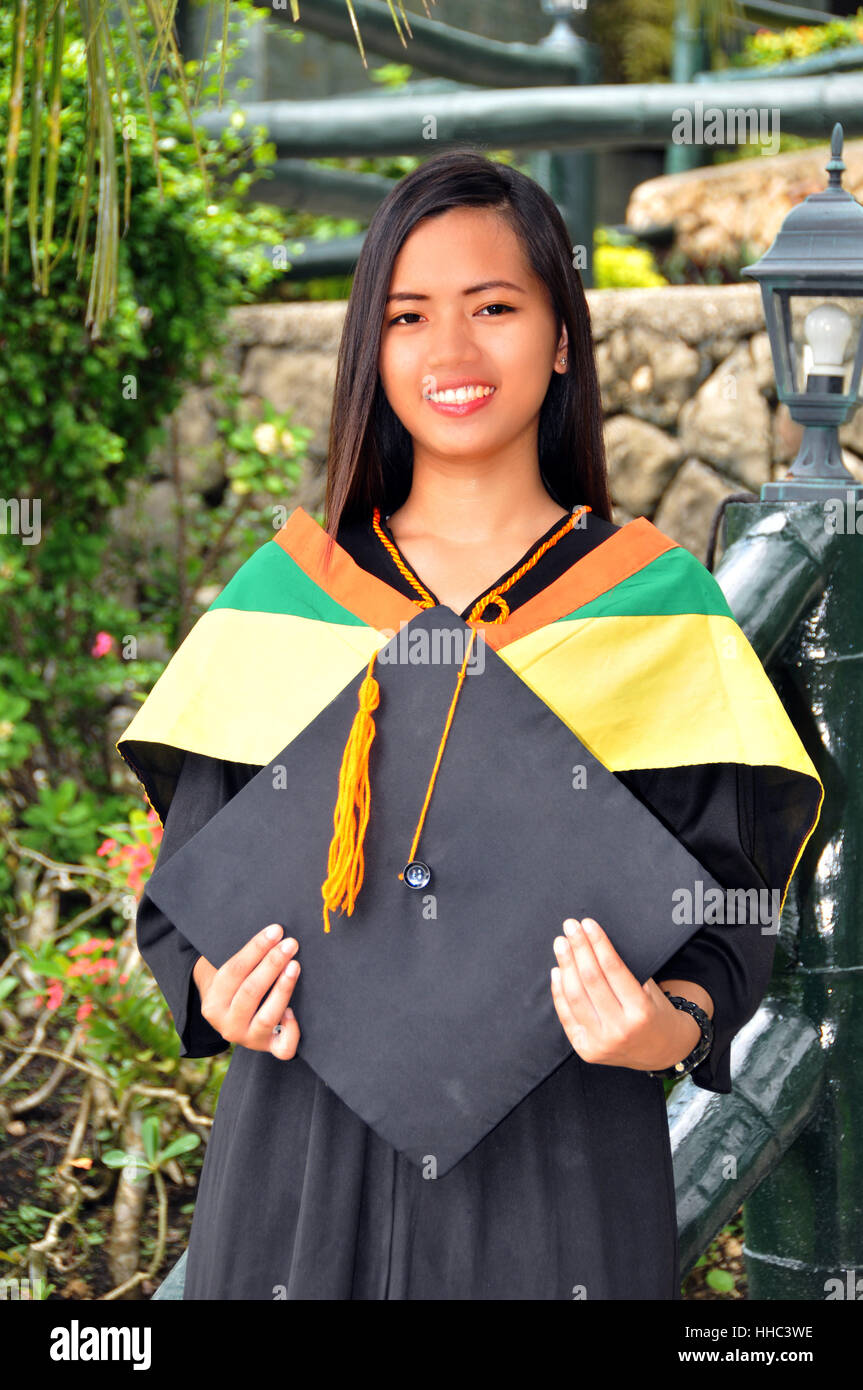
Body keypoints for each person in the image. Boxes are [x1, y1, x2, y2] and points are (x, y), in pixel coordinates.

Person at [120, 149, 823, 1300]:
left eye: (493, 307)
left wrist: (664, 1025)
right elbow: (186, 894)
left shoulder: (652, 609)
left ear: (558, 336)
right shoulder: (289, 597)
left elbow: (728, 909)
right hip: (301, 1158)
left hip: (559, 1167)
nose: (449, 352)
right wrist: (209, 986)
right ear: (371, 350)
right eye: (407, 316)